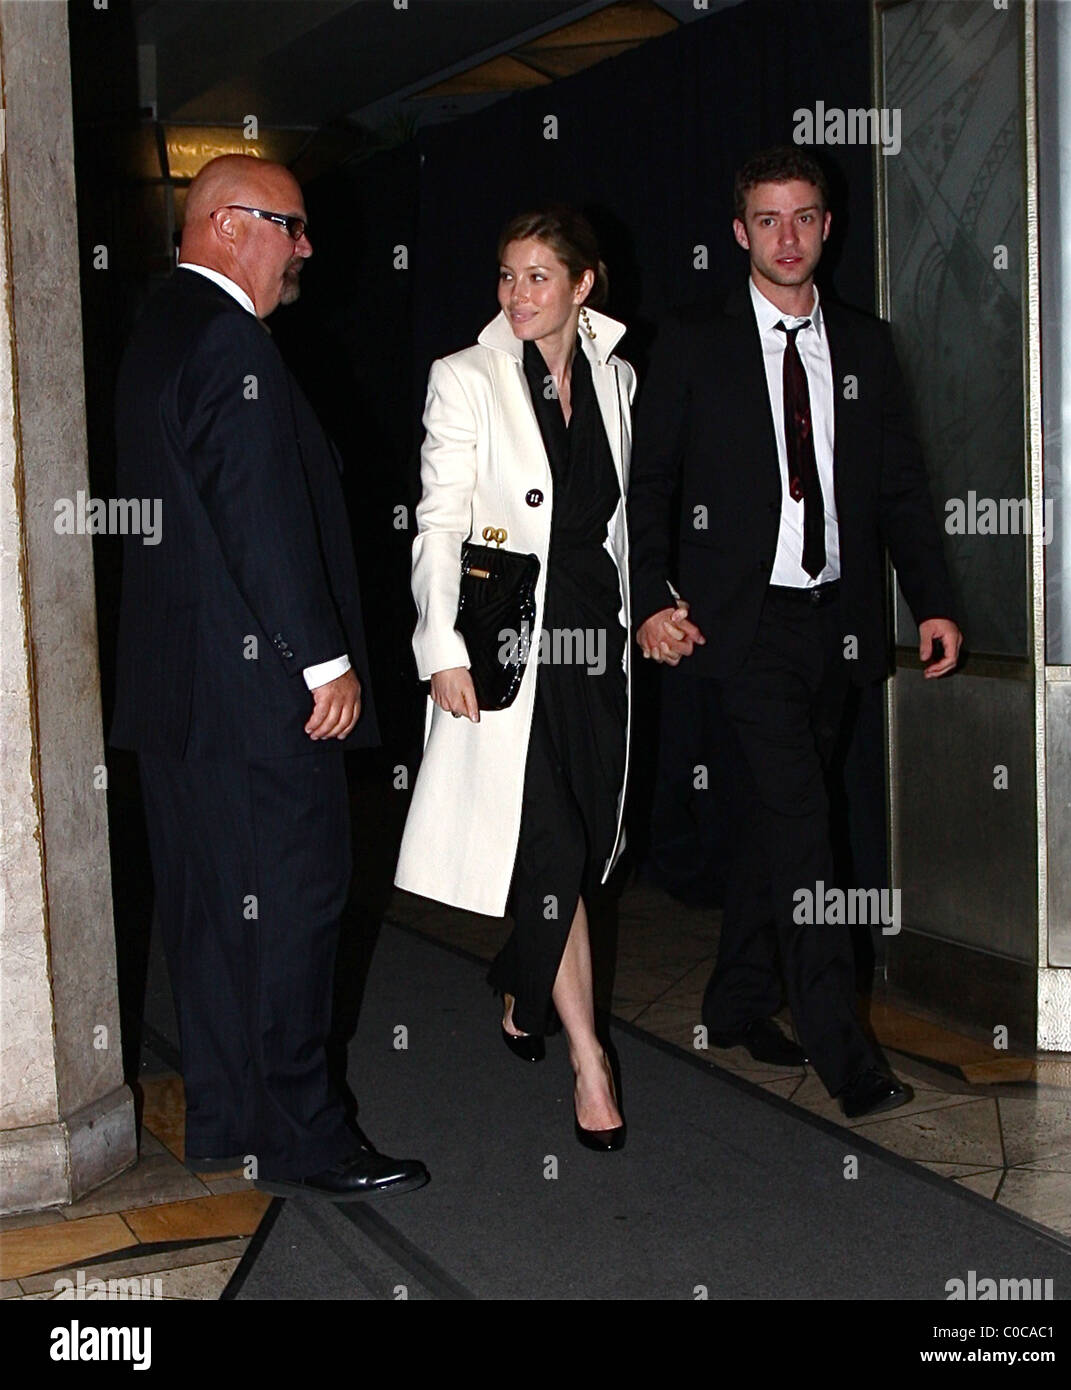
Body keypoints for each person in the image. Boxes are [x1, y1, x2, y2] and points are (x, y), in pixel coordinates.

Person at [112, 154, 428, 1199]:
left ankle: (229, 1121)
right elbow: (258, 520)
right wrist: (325, 661)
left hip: (180, 698)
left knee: (209, 918)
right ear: (226, 222)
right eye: (289, 226)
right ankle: (305, 1137)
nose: (304, 248)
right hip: (258, 702)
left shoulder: (158, 330)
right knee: (293, 909)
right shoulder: (230, 339)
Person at [629, 147, 962, 1119]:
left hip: (838, 624)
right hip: (743, 627)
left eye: (803, 217)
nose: (786, 236)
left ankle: (735, 999)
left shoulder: (863, 344)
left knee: (780, 827)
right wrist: (650, 594)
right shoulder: (691, 341)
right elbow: (648, 487)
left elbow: (899, 488)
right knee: (807, 831)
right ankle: (842, 1048)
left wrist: (931, 599)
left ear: (827, 227)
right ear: (739, 233)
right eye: (766, 219)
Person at [394, 207, 635, 1150]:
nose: (517, 295)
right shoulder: (464, 377)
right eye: (506, 275)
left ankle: (518, 975)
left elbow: (624, 524)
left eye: (539, 277)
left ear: (583, 284)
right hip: (507, 643)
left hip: (595, 643)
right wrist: (440, 646)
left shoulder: (618, 378)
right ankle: (588, 1060)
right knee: (551, 848)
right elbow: (439, 521)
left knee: (576, 848)